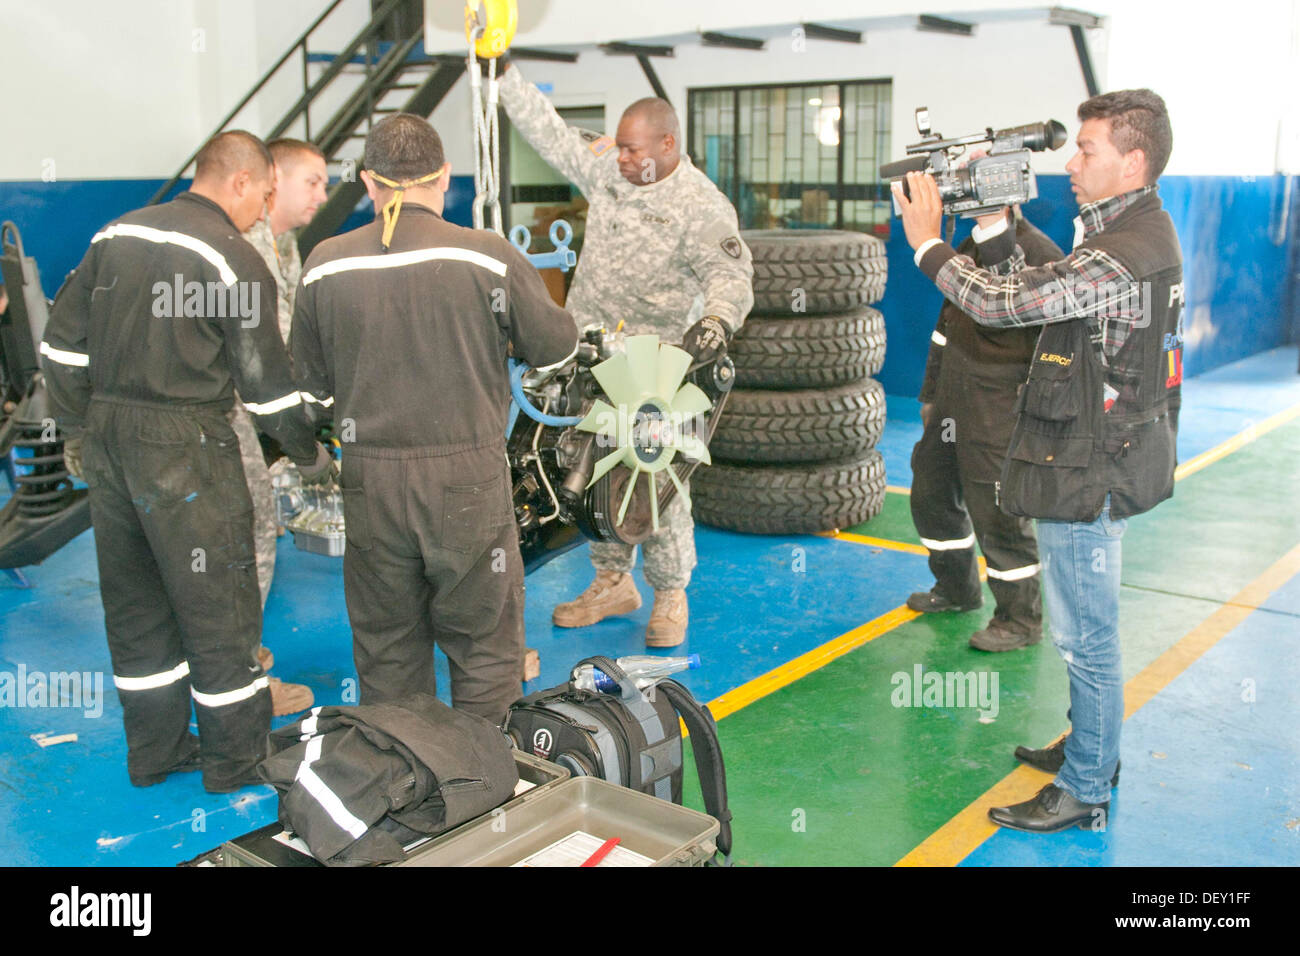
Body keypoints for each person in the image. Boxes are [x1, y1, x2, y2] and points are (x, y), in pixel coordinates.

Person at [894, 89, 1183, 832]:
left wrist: (929, 243)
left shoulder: (1125, 252)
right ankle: (1090, 745)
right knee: (1086, 631)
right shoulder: (1127, 233)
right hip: (1099, 454)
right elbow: (1038, 284)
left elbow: (1000, 304)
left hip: (1093, 468)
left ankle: (1085, 787)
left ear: (1134, 159)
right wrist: (993, 217)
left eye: (1087, 150)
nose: (1072, 161)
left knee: (1086, 638)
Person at [41, 130, 335, 793]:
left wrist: (85, 426)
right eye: (263, 195)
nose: (264, 211)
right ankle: (235, 761)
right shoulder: (233, 259)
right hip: (188, 445)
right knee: (219, 606)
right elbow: (269, 392)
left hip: (112, 440)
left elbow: (60, 349)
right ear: (238, 181)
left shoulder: (114, 235)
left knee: (137, 604)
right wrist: (310, 455)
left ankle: (155, 753)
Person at [291, 113, 578, 727]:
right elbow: (557, 348)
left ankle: (406, 782)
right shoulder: (487, 257)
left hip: (370, 484)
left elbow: (310, 393)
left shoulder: (324, 264)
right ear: (444, 178)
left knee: (388, 652)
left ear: (369, 183)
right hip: (467, 479)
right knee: (484, 650)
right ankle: (490, 794)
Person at [498, 60, 754, 647]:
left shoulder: (700, 204)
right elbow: (552, 134)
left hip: (658, 370)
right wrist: (503, 75)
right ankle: (612, 582)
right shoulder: (612, 171)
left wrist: (716, 320)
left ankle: (669, 594)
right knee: (588, 471)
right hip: (591, 355)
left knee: (655, 481)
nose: (623, 160)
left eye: (636, 151)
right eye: (620, 149)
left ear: (668, 145)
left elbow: (730, 272)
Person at [907, 208, 1062, 651]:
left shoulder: (1039, 255)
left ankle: (1020, 619)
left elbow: (1049, 346)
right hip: (953, 401)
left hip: (999, 407)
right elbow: (945, 326)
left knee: (999, 516)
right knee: (931, 492)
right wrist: (931, 394)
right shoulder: (971, 246)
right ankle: (956, 588)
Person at [231, 137, 328, 715]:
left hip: (251, 412)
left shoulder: (282, 242)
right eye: (311, 182)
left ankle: (235, 661)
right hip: (232, 415)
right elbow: (261, 355)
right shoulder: (247, 246)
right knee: (251, 538)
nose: (321, 193)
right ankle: (243, 682)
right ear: (274, 182)